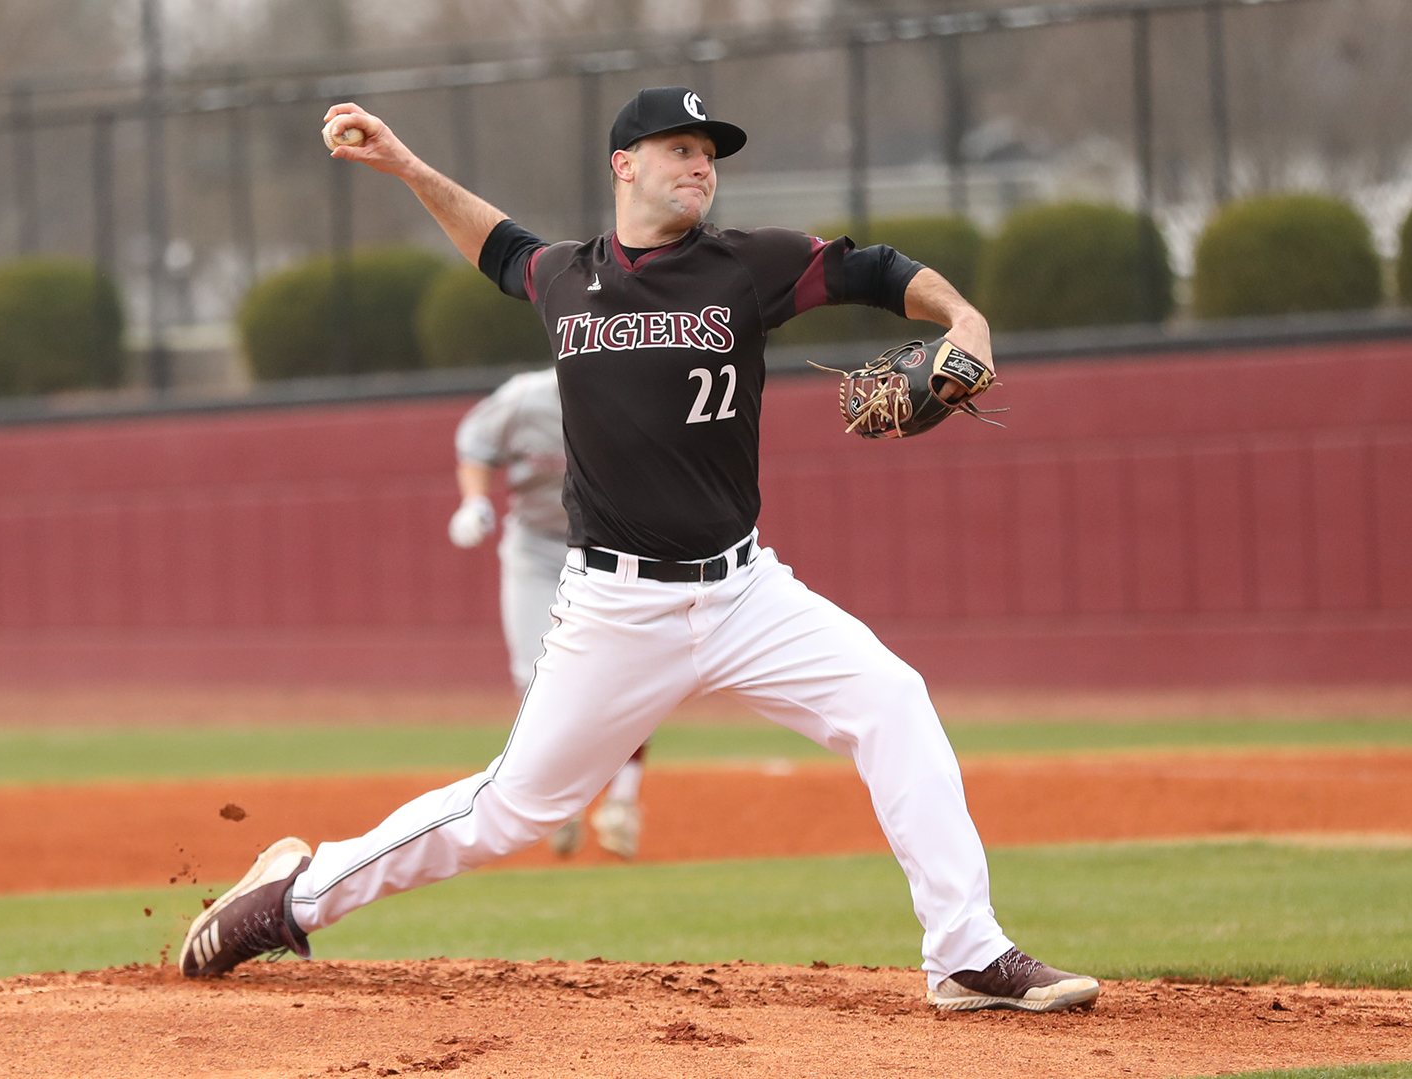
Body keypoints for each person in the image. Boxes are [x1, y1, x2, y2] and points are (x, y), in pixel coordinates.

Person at [180, 86, 1100, 1013]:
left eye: (710, 152)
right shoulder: (565, 276)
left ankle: (966, 952)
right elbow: (497, 246)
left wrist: (965, 320)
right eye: (679, 148)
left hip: (745, 594)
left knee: (892, 701)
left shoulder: (748, 266)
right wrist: (407, 166)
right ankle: (292, 895)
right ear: (624, 166)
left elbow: (875, 270)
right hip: (616, 608)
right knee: (510, 810)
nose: (701, 165)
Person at [449, 368, 647, 859]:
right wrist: (475, 501)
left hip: (612, 547)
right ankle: (560, 802)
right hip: (535, 548)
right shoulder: (526, 398)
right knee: (533, 676)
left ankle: (623, 803)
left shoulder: (635, 392)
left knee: (629, 673)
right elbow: (475, 444)